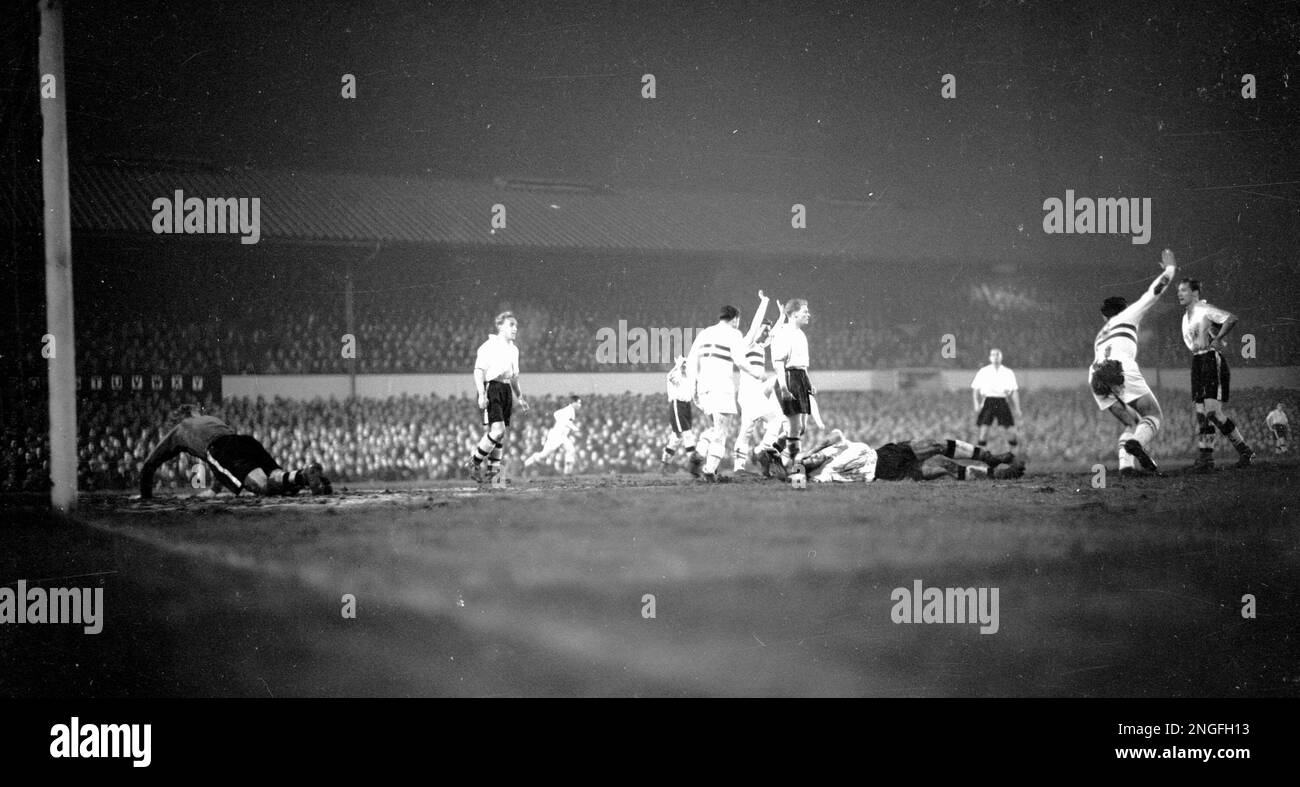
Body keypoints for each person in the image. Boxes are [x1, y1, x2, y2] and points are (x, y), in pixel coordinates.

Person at [1089, 249, 1177, 477]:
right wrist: (1170, 269)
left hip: (1096, 374)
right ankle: (1137, 444)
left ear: (1104, 316)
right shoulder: (1127, 316)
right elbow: (1153, 292)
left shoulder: (1101, 334)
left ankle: (1126, 466)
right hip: (1119, 367)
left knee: (1131, 422)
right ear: (1124, 309)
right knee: (1153, 416)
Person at [138, 405, 330, 498]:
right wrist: (214, 489)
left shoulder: (179, 429)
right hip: (244, 441)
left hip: (220, 449)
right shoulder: (211, 419)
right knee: (276, 475)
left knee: (262, 487)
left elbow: (149, 464)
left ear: (179, 418)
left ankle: (303, 477)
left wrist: (145, 495)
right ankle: (302, 476)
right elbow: (220, 468)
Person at [685, 305, 768, 482]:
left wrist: (692, 387)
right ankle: (709, 471)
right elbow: (740, 360)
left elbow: (691, 360)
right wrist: (756, 373)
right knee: (721, 433)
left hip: (703, 387)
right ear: (735, 318)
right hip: (721, 386)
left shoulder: (705, 332)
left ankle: (699, 453)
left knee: (715, 428)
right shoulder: (734, 334)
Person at [1178, 278, 1254, 470]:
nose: (1179, 294)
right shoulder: (1185, 317)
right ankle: (1206, 458)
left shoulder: (1204, 310)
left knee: (1212, 412)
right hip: (1197, 361)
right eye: (1178, 291)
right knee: (1201, 414)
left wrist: (1218, 338)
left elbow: (1231, 318)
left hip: (1211, 359)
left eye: (1184, 290)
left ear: (1195, 293)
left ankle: (1244, 449)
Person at [794, 429, 1021, 484]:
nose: (811, 460)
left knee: (936, 444)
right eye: (807, 464)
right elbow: (795, 481)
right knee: (945, 466)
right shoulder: (821, 475)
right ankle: (998, 474)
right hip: (886, 471)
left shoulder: (828, 450)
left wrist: (812, 451)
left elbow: (835, 434)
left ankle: (989, 457)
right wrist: (796, 464)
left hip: (886, 452)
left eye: (809, 458)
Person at [467, 311, 529, 483]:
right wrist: (481, 393)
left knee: (499, 434)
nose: (515, 328)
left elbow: (514, 377)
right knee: (498, 431)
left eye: (516, 325)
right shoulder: (489, 346)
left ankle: (494, 475)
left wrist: (520, 397)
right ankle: (474, 461)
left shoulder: (514, 350)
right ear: (500, 326)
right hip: (491, 387)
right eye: (511, 325)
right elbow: (479, 371)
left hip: (506, 388)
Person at [733, 291, 787, 475]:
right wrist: (764, 302)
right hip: (749, 393)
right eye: (764, 329)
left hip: (756, 393)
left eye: (767, 329)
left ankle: (742, 464)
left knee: (747, 430)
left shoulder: (761, 346)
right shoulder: (746, 342)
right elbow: (757, 323)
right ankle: (758, 451)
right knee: (773, 420)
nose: (766, 331)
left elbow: (774, 332)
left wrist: (781, 317)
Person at [767, 298, 814, 476]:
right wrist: (784, 388)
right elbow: (778, 363)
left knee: (800, 428)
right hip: (788, 378)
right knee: (794, 428)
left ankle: (773, 452)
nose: (808, 314)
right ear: (794, 315)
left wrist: (809, 383)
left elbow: (803, 366)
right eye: (805, 312)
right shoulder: (783, 333)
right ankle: (796, 474)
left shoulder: (801, 334)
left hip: (800, 378)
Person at [970, 348, 1021, 452]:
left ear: (1001, 357)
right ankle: (981, 455)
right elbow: (975, 389)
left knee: (1010, 429)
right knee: (984, 429)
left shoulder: (1008, 372)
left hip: (1002, 400)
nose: (996, 357)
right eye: (993, 355)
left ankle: (1013, 453)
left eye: (997, 355)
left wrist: (1017, 408)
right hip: (988, 401)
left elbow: (1014, 391)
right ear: (990, 358)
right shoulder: (983, 371)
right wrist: (976, 403)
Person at [660, 355, 699, 472]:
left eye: (685, 366)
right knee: (687, 434)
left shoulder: (689, 377)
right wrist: (678, 367)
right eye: (683, 365)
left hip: (686, 406)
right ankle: (693, 466)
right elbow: (669, 377)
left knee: (676, 437)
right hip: (677, 405)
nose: (684, 368)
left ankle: (664, 463)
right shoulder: (675, 375)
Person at [524, 396, 582, 475]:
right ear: (573, 403)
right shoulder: (568, 410)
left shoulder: (571, 411)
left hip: (563, 436)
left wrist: (570, 426)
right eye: (578, 403)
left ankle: (567, 472)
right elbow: (557, 415)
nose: (580, 405)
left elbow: (559, 416)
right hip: (556, 436)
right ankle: (527, 463)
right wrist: (574, 428)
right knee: (543, 455)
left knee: (571, 450)